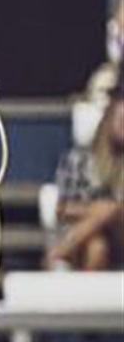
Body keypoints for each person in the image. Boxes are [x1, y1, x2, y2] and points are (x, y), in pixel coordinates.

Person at [48, 84, 124, 270]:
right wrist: (99, 212)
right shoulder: (79, 159)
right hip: (87, 236)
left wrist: (111, 211)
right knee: (97, 247)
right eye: (122, 121)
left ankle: (59, 251)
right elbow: (62, 208)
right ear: (108, 119)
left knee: (112, 209)